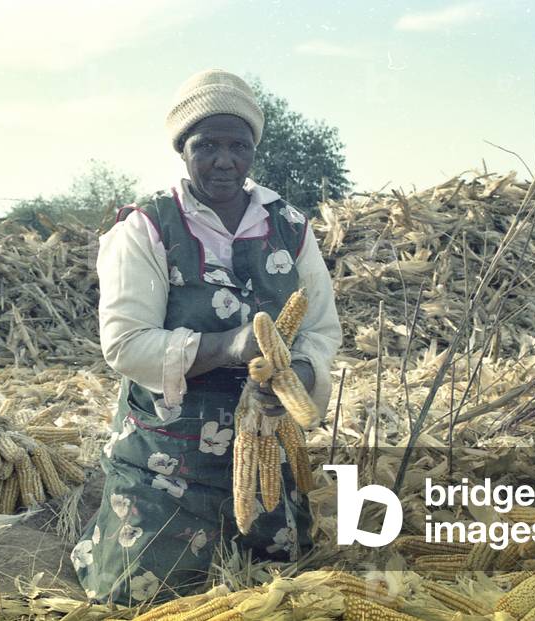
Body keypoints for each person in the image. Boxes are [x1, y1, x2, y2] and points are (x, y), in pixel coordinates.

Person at [72, 70, 341, 605]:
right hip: (167, 458)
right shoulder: (147, 227)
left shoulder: (290, 226)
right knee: (137, 596)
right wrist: (228, 346)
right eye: (206, 145)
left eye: (238, 145)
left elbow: (320, 328)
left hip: (264, 450)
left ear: (254, 151)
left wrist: (296, 377)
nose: (224, 160)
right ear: (182, 150)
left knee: (274, 591)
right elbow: (125, 344)